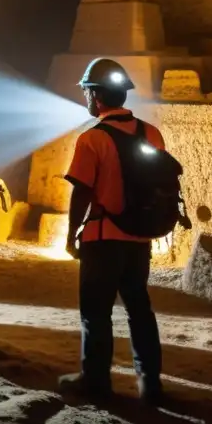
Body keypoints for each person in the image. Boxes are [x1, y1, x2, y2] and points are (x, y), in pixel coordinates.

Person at [59, 58, 165, 403]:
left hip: (102, 238)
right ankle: (150, 382)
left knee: (96, 313)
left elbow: (83, 190)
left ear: (97, 95)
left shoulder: (92, 139)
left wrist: (72, 232)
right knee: (139, 309)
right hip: (139, 238)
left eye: (87, 92)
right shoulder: (152, 133)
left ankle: (96, 382)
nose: (86, 99)